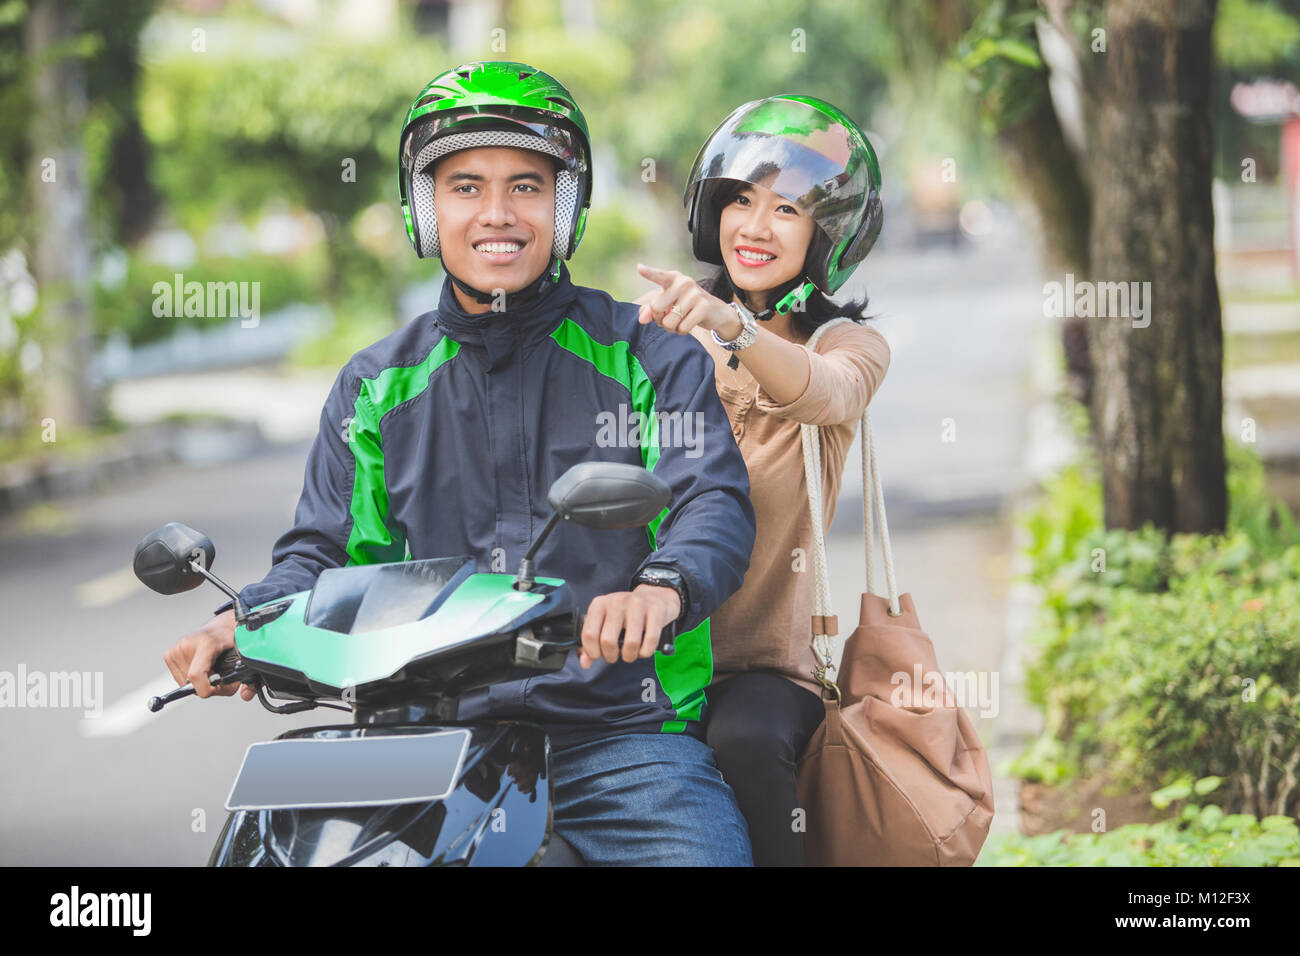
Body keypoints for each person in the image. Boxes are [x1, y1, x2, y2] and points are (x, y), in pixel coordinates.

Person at [161, 61, 758, 866]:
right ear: (426, 208)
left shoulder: (646, 355)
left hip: (618, 732)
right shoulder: (377, 386)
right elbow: (322, 552)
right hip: (418, 737)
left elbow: (708, 501)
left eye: (527, 186)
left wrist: (662, 586)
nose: (498, 214)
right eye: (466, 187)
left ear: (564, 205)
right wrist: (246, 617)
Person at [634, 94, 891, 866]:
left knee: (742, 738)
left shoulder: (849, 344)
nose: (754, 225)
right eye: (740, 200)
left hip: (767, 669)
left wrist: (729, 328)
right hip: (644, 651)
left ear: (825, 237)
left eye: (786, 209)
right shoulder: (660, 337)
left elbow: (825, 392)